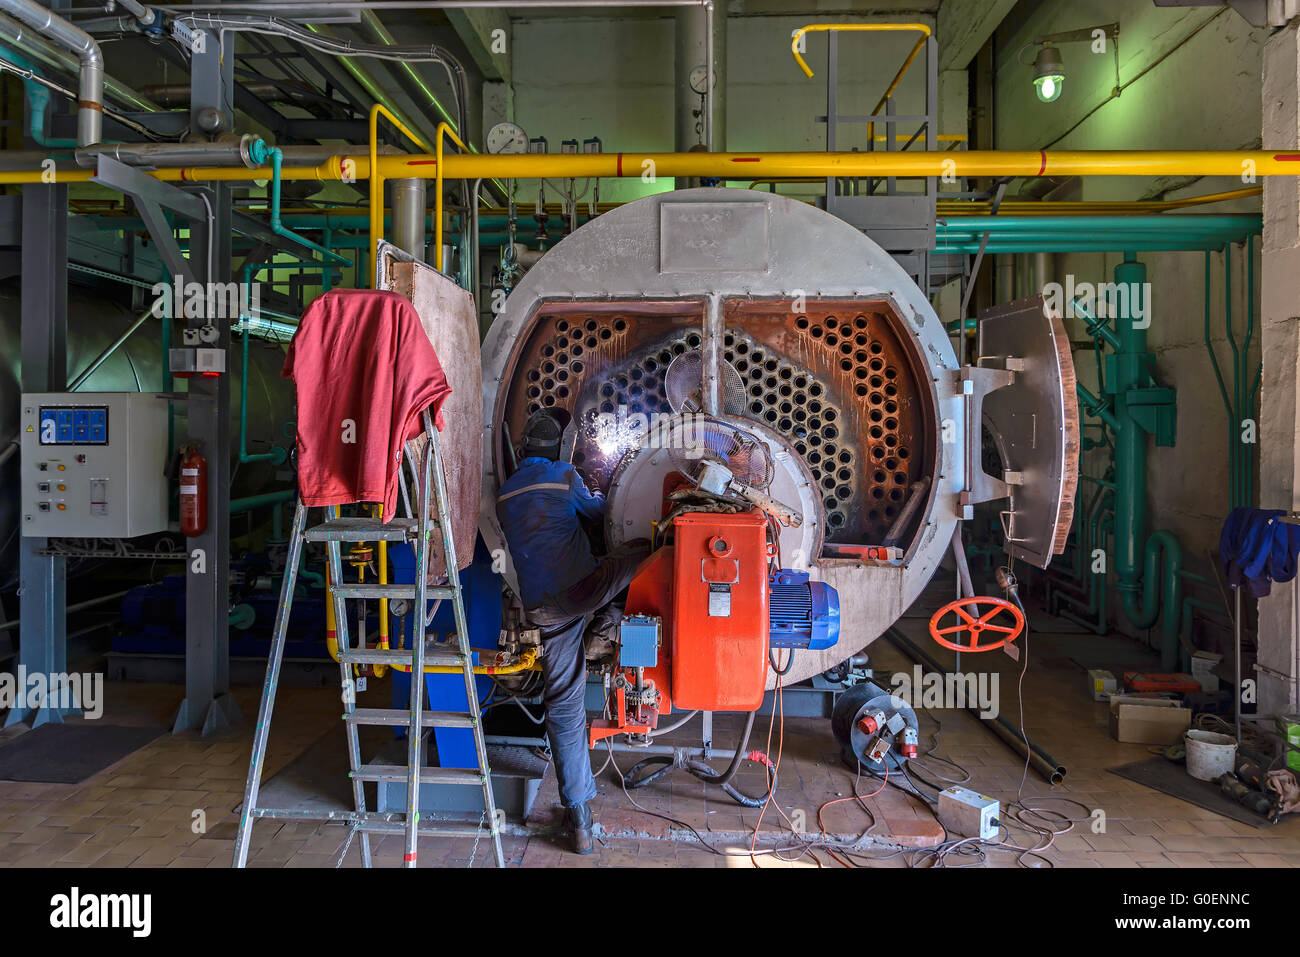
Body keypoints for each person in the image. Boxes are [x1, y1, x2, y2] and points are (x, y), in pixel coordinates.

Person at [495, 409, 649, 854]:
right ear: (561, 449)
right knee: (647, 550)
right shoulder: (564, 476)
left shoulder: (505, 494)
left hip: (544, 612)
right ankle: (610, 625)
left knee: (564, 707)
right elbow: (604, 515)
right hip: (586, 590)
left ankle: (579, 818)